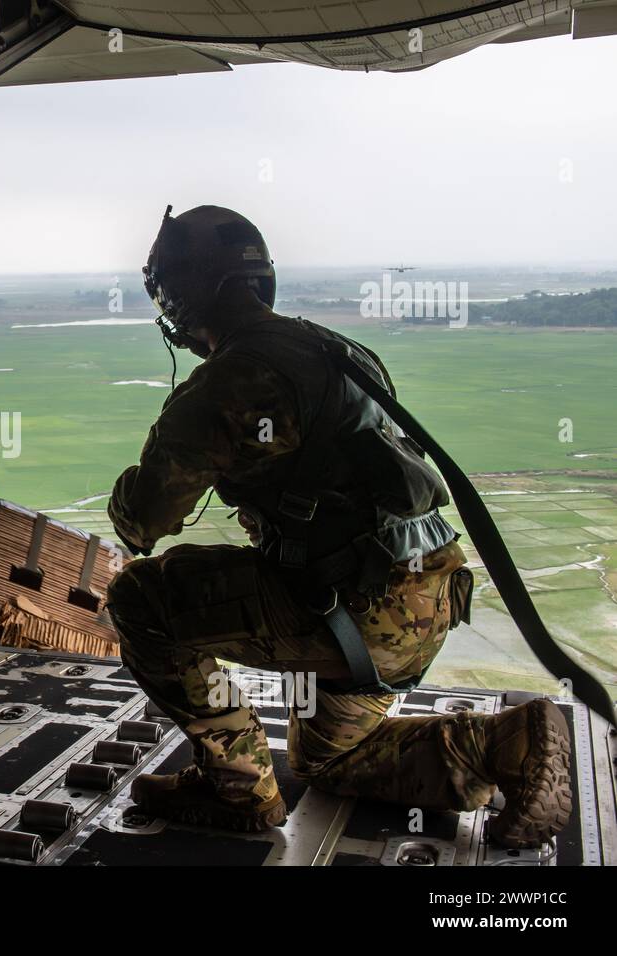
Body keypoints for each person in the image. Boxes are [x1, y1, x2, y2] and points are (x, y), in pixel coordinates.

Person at [105, 205, 572, 848]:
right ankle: (505, 745)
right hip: (428, 596)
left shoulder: (229, 382)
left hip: (351, 608)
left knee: (140, 598)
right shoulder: (336, 347)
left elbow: (144, 521)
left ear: (181, 291)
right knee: (327, 762)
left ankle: (236, 789)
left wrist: (131, 496)